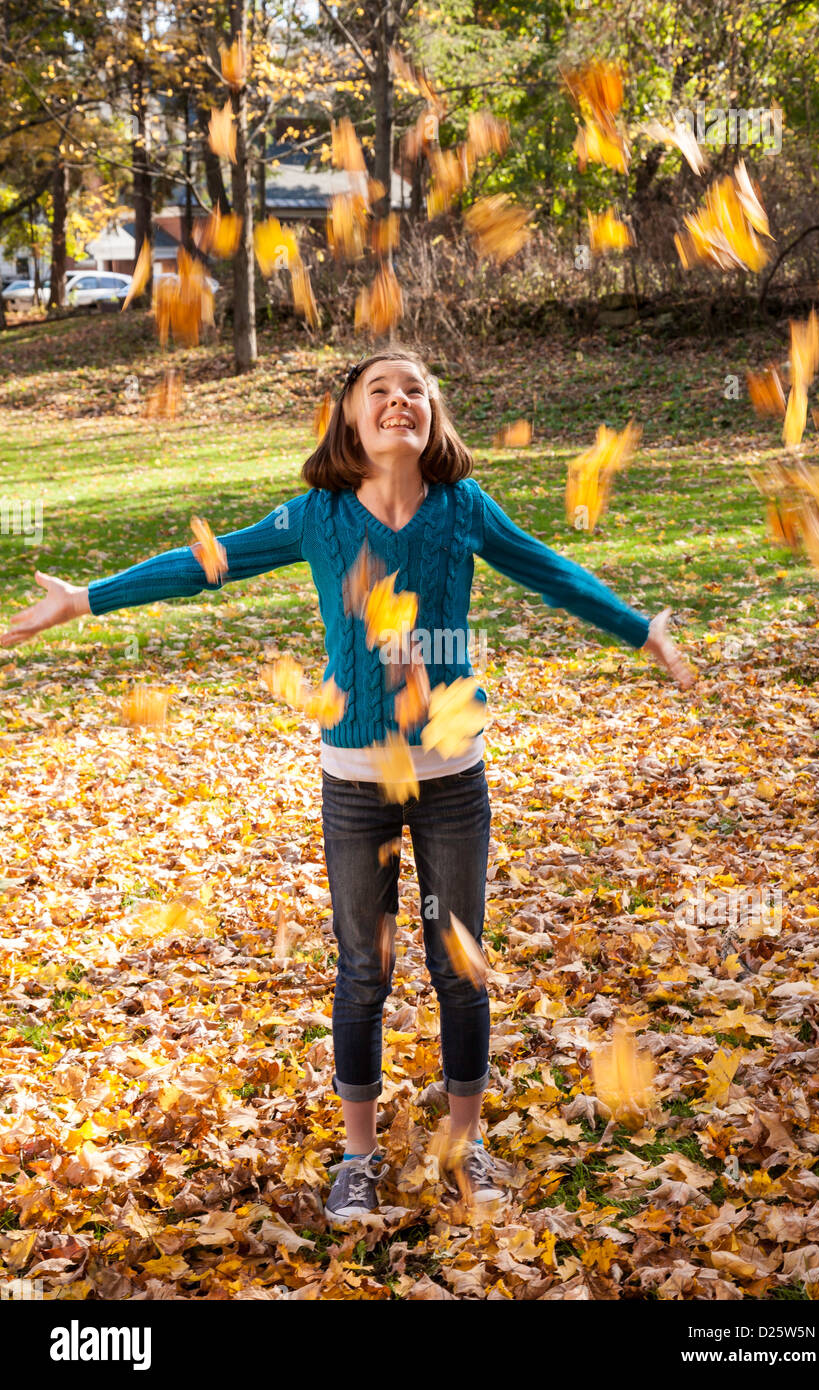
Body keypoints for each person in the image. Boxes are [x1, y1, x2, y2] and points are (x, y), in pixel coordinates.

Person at [0, 347, 694, 1228]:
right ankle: (358, 1159)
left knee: (459, 966)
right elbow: (206, 563)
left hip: (452, 779)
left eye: (416, 390)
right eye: (380, 390)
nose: (399, 401)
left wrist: (642, 631)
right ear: (350, 417)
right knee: (365, 969)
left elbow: (550, 570)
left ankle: (466, 1144)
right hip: (356, 781)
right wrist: (84, 599)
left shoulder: (462, 508)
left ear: (433, 417)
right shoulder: (319, 517)